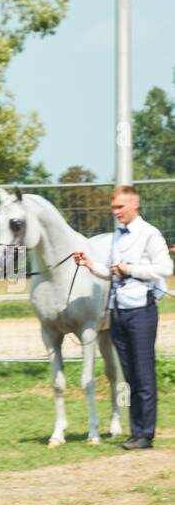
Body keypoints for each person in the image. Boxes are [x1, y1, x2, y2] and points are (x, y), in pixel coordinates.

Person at [73, 185, 173, 449]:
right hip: (118, 311)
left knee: (143, 374)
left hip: (141, 310)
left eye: (120, 207)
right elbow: (110, 272)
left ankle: (145, 434)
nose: (115, 212)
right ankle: (136, 431)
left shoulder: (149, 234)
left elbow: (166, 267)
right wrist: (89, 265)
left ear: (134, 205)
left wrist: (130, 269)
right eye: (113, 207)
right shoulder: (117, 236)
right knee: (129, 375)